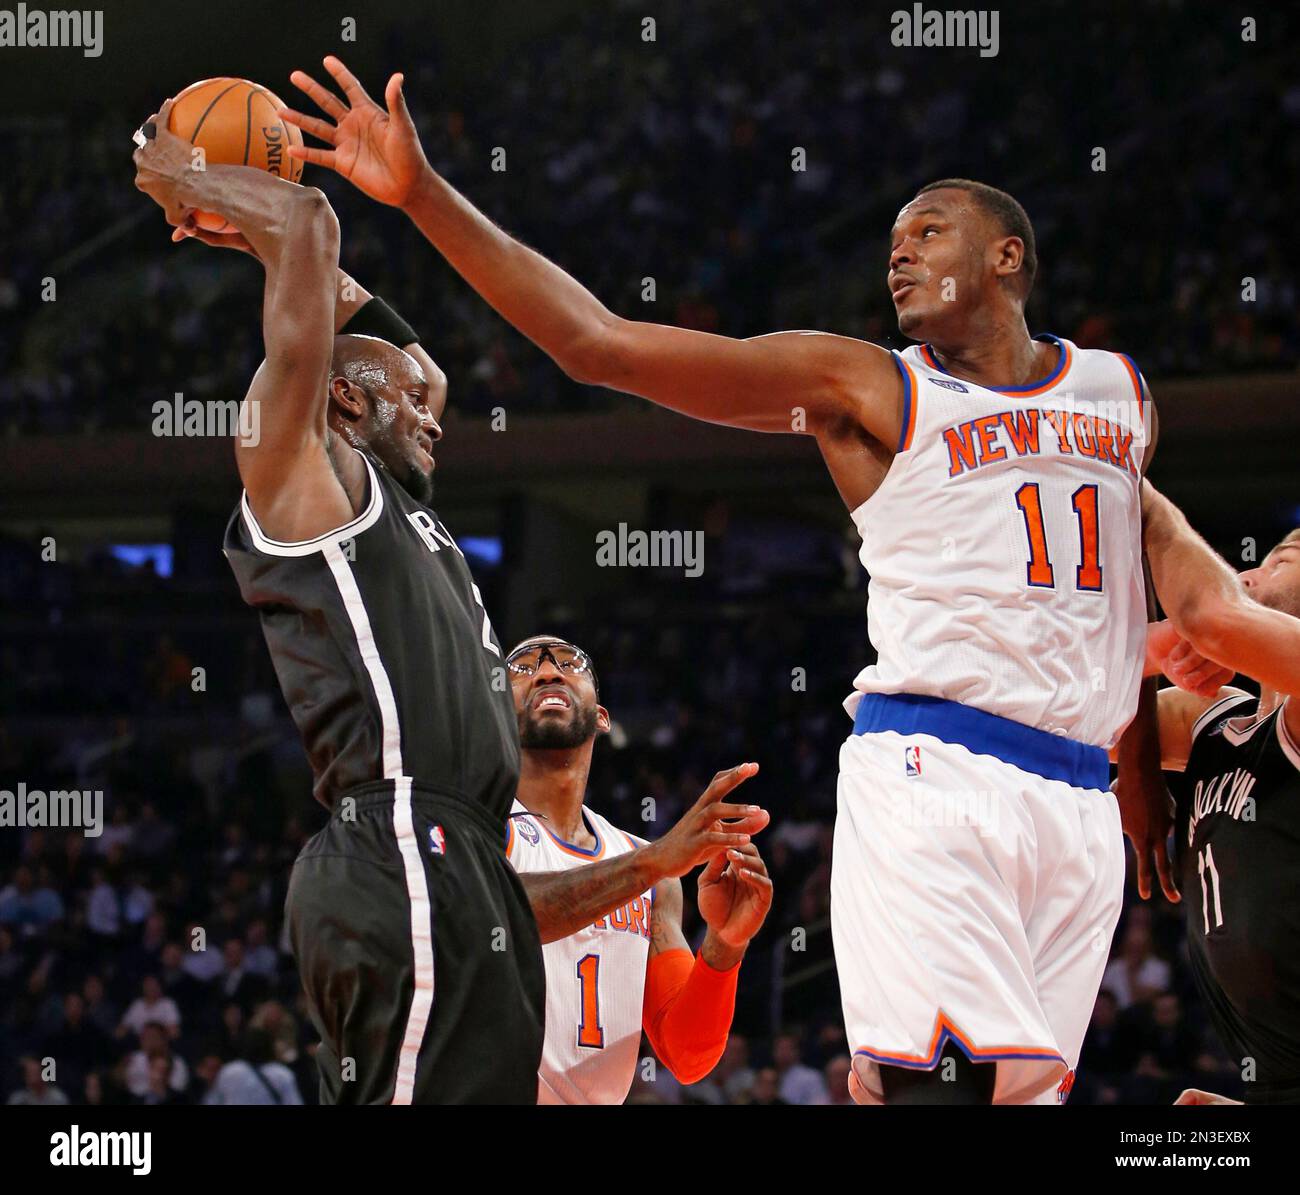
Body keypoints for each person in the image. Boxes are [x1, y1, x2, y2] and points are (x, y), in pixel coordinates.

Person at [280, 57, 1165, 1104]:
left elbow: (1127, 594)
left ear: (1007, 254)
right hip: (941, 767)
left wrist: (1138, 760)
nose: (898, 256)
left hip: (1079, 797)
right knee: (944, 1091)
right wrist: (421, 192)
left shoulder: (1122, 393)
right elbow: (596, 342)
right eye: (890, 244)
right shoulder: (867, 384)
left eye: (926, 231)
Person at [132, 99, 543, 1104]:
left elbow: (422, 368)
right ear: (349, 402)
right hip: (401, 839)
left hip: (466, 858)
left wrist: (248, 231)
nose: (435, 410)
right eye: (404, 399)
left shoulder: (399, 498)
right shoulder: (303, 475)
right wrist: (191, 181)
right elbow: (311, 220)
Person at [502, 635, 772, 1103]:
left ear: (602, 718)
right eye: (524, 668)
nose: (548, 671)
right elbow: (503, 910)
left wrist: (725, 946)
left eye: (571, 663)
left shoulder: (650, 871)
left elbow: (688, 1057)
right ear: (496, 719)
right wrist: (652, 863)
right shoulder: (474, 825)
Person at [1136, 509, 1300, 1104]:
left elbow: (1210, 618)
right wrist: (1137, 774)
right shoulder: (1217, 719)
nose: (1253, 569)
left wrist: (1136, 489)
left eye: (1284, 558)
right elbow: (1072, 711)